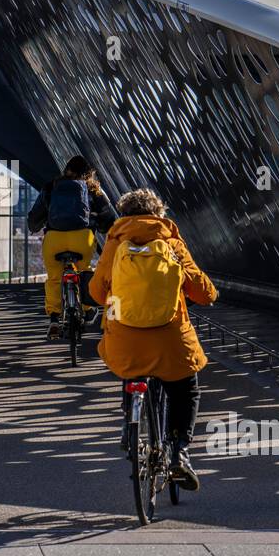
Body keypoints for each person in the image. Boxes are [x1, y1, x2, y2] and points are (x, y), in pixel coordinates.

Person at [88, 187, 217, 490]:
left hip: (126, 339)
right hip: (170, 338)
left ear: (124, 213)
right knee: (186, 388)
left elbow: (96, 291)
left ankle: (128, 425)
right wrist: (208, 294)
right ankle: (180, 454)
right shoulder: (170, 240)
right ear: (159, 212)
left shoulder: (116, 240)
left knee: (131, 365)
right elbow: (200, 288)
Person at [27, 155, 116, 339]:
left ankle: (53, 318)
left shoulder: (51, 187)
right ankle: (87, 308)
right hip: (82, 238)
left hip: (54, 238)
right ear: (89, 173)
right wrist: (99, 225)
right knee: (84, 272)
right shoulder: (93, 189)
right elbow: (108, 218)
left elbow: (35, 217)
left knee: (53, 278)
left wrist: (34, 226)